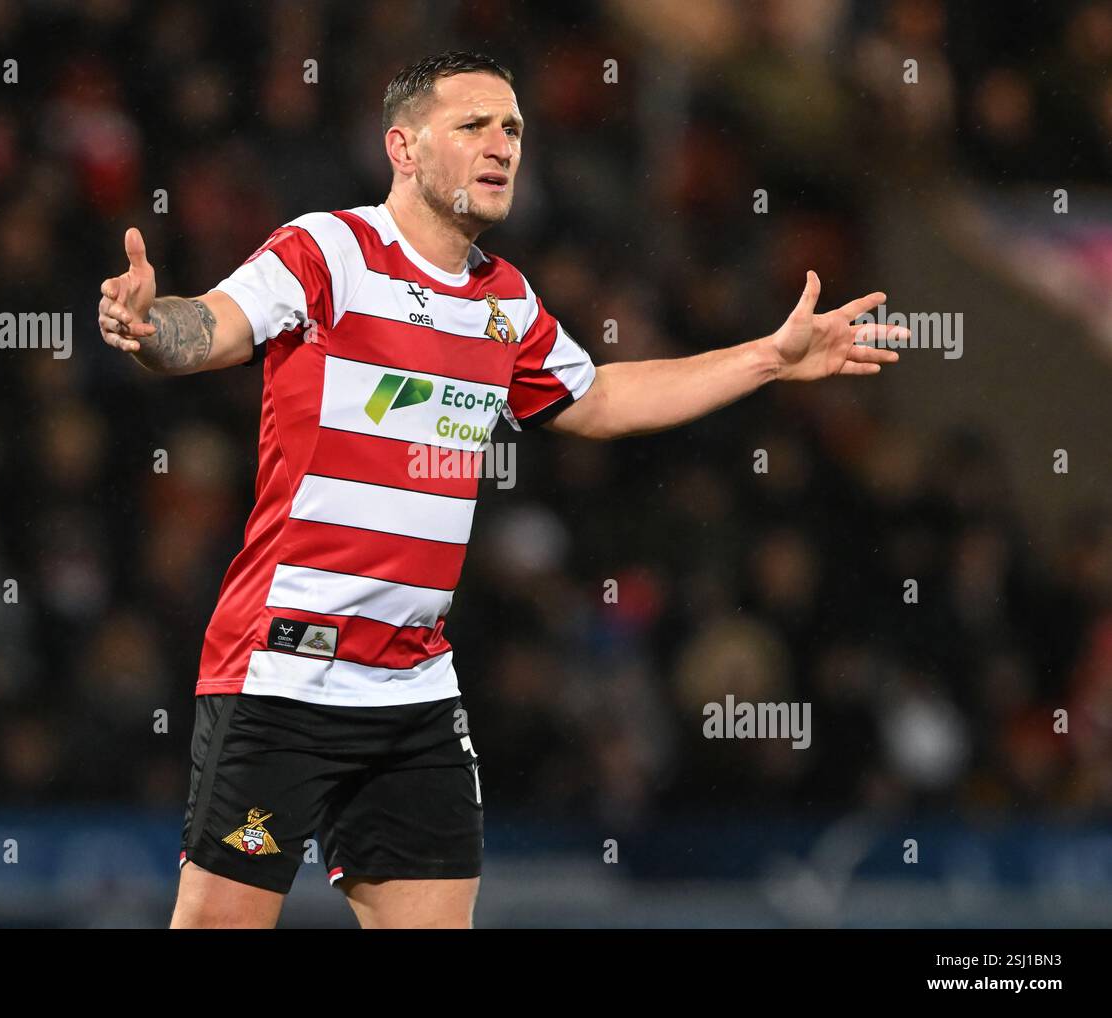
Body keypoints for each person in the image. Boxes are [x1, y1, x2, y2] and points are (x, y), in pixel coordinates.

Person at [95, 51, 904, 929]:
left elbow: (598, 399)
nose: (502, 145)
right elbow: (210, 325)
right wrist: (148, 327)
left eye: (513, 127)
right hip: (284, 671)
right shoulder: (328, 250)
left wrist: (766, 360)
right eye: (474, 125)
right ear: (402, 147)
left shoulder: (506, 302)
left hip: (411, 685)